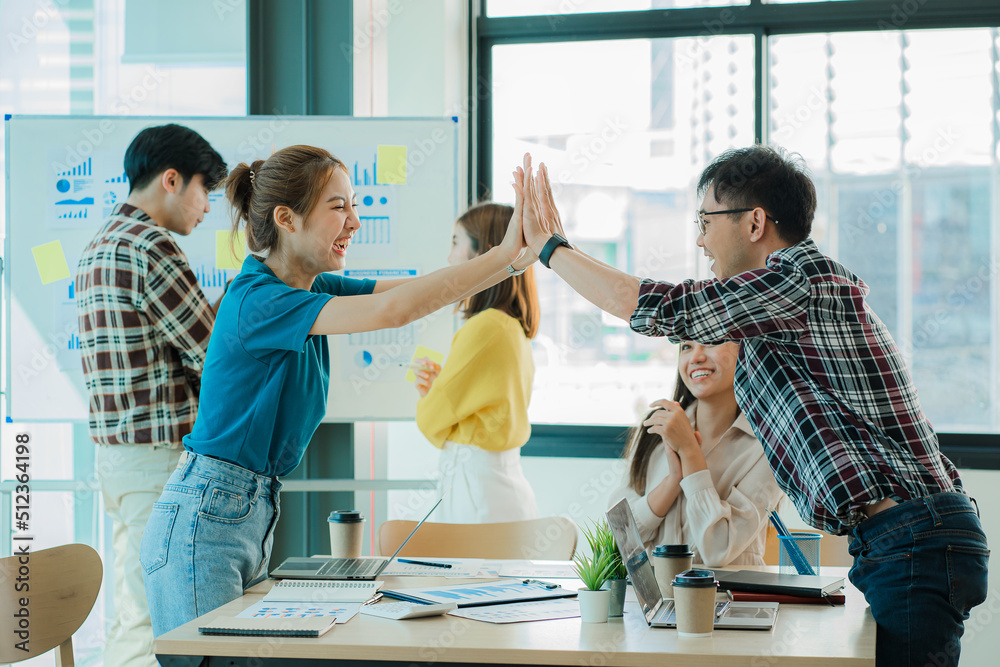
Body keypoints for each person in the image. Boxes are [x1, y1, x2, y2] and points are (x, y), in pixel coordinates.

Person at [518, 148, 988, 667]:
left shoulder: (799, 283)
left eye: (705, 221)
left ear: (755, 222)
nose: (699, 240)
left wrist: (551, 250)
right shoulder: (770, 309)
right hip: (899, 537)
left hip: (914, 536)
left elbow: (661, 306)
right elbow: (618, 532)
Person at [140, 146, 534, 643]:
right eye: (339, 207)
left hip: (243, 510)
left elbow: (414, 292)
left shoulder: (310, 285)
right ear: (286, 218)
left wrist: (514, 260)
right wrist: (502, 255)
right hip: (206, 518)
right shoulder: (260, 300)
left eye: (353, 205)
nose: (355, 221)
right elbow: (394, 312)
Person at [76, 124, 227, 667]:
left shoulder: (99, 244)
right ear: (171, 179)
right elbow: (212, 357)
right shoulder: (151, 246)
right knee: (156, 613)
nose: (207, 206)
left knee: (135, 605)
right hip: (158, 460)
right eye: (204, 190)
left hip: (120, 461)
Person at [412, 202, 540, 523]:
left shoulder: (484, 327)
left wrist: (433, 394)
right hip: (498, 487)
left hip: (478, 492)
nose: (449, 258)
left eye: (456, 243)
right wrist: (447, 385)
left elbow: (431, 420)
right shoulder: (509, 326)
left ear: (484, 253)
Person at [610, 340, 784, 567]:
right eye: (686, 347)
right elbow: (617, 539)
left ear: (747, 349)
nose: (696, 357)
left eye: (711, 341)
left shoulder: (772, 446)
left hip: (733, 599)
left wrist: (690, 453)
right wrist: (672, 482)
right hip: (657, 599)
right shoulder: (656, 427)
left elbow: (718, 550)